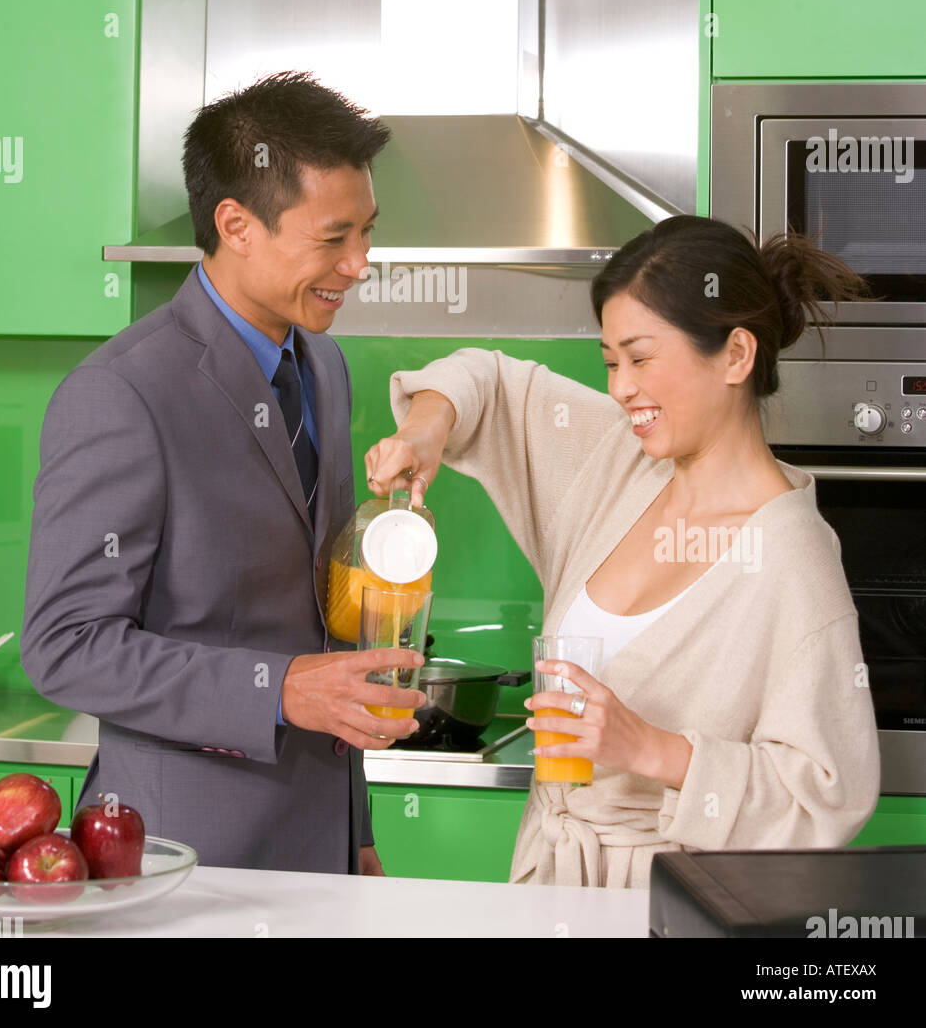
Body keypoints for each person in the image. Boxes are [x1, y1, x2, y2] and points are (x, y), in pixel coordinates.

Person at [364, 216, 881, 889]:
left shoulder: (791, 559)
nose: (620, 389)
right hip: (549, 886)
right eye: (611, 362)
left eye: (640, 359)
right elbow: (484, 380)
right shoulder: (616, 464)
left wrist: (651, 749)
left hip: (675, 904)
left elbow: (825, 797)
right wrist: (424, 434)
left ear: (735, 355)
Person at [21, 71, 425, 875]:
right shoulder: (122, 393)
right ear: (236, 224)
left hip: (325, 852)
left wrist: (359, 832)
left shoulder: (326, 365)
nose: (360, 263)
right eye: (334, 237)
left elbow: (313, 623)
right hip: (184, 859)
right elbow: (64, 645)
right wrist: (276, 690)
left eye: (368, 233)